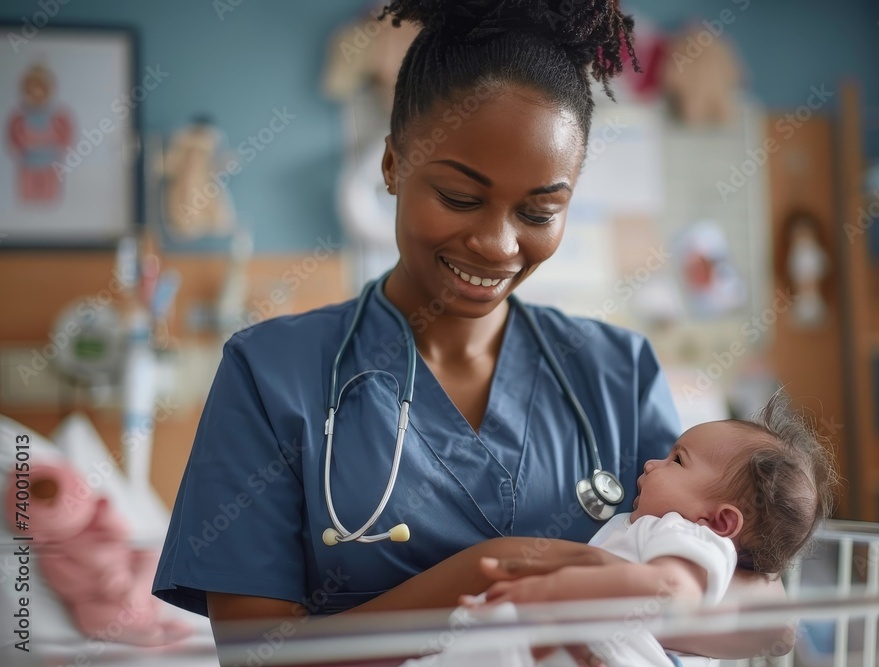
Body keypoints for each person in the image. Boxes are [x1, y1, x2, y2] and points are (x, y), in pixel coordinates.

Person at [153, 0, 791, 662]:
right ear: (394, 164)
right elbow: (256, 653)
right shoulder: (270, 373)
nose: (496, 243)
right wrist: (493, 569)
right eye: (460, 197)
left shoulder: (617, 370)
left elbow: (772, 620)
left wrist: (649, 590)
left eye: (540, 209)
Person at [396, 392, 838, 666]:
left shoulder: (686, 534)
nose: (651, 464)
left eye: (677, 460)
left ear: (721, 521)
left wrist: (553, 589)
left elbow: (672, 591)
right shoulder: (666, 531)